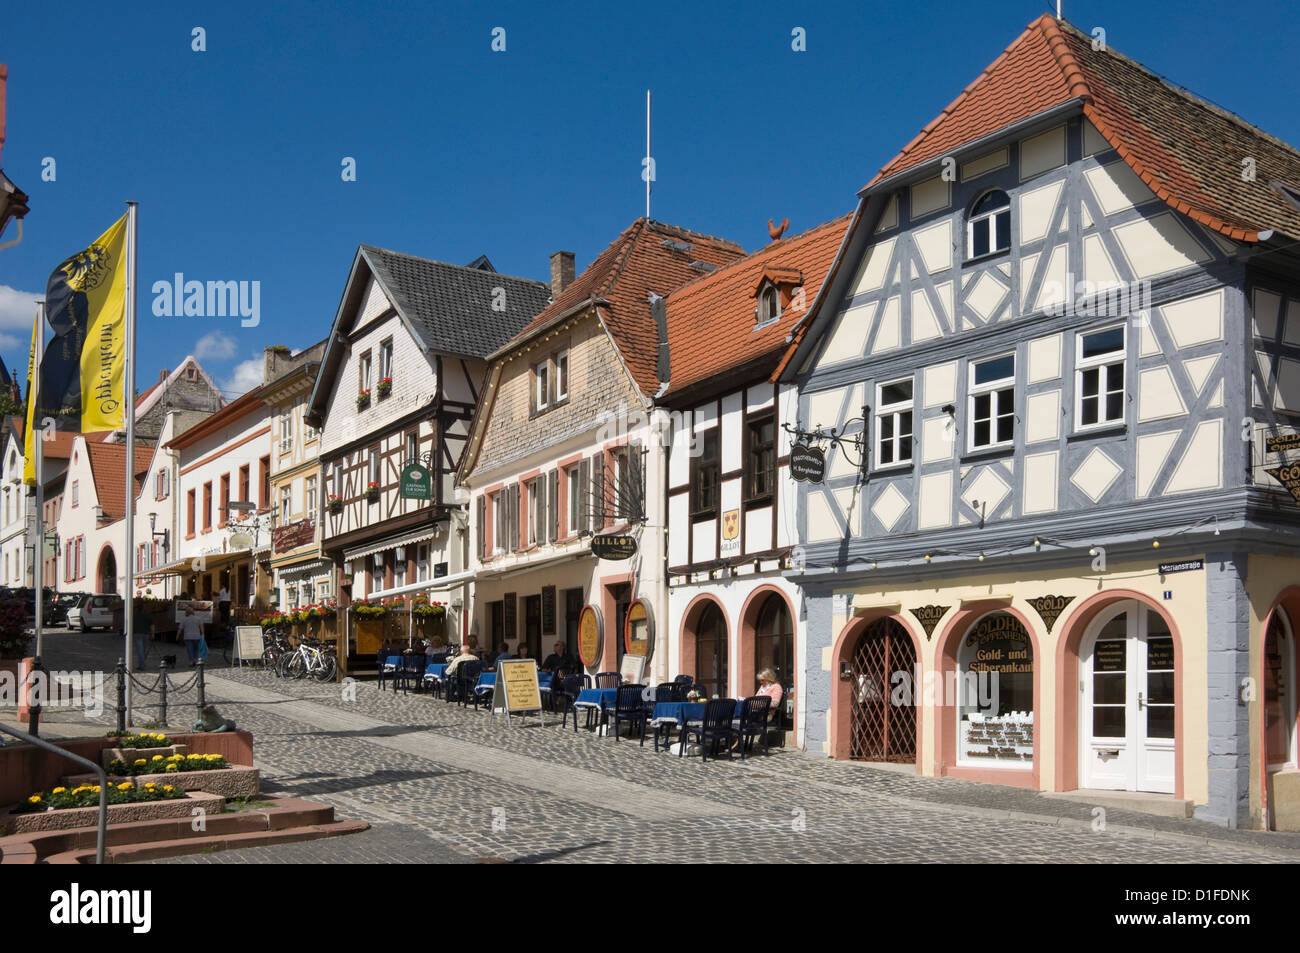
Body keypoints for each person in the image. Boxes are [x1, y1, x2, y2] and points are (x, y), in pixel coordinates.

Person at [131, 598, 154, 672]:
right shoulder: (148, 615)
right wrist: (153, 634)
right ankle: (142, 663)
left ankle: (142, 665)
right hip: (146, 634)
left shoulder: (134, 615)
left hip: (137, 633)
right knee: (143, 650)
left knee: (140, 650)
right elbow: (152, 626)